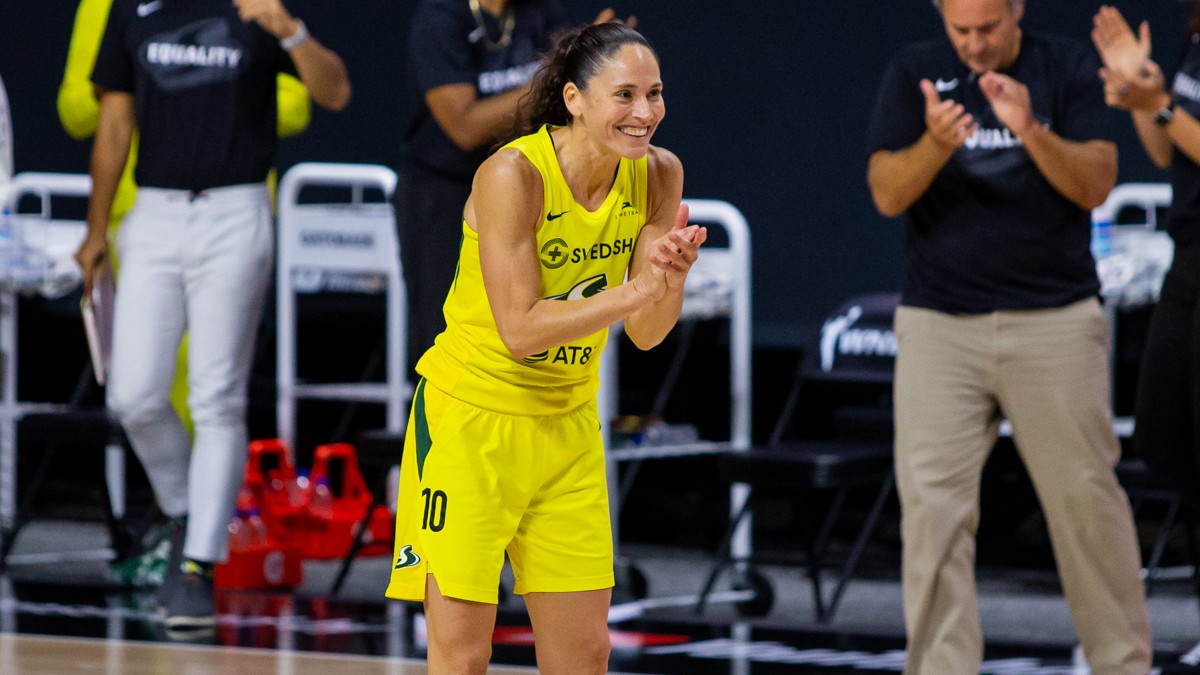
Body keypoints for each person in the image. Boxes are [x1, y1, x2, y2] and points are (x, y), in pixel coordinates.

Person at [385, 22, 704, 674]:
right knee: (463, 652)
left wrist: (667, 282)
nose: (645, 113)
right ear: (574, 99)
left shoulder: (658, 174)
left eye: (655, 93)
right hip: (469, 423)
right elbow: (521, 329)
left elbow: (647, 332)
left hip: (567, 425)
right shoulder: (511, 175)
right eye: (625, 95)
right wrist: (633, 291)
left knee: (584, 653)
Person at [865, 0, 1152, 673]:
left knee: (1087, 507)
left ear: (1016, 9)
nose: (974, 44)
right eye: (960, 29)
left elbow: (1097, 185)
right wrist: (935, 141)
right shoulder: (915, 69)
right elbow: (886, 191)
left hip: (1053, 319)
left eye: (988, 28)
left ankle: (1123, 665)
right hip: (940, 322)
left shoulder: (1066, 67)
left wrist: (1029, 127)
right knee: (932, 517)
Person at [74, 0, 350, 629]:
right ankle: (183, 510)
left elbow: (334, 92)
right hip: (154, 210)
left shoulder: (257, 6)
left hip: (236, 210)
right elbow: (115, 122)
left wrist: (290, 30)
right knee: (132, 393)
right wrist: (95, 229)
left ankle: (198, 562)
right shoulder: (134, 9)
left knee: (215, 395)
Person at [399, 0, 631, 373]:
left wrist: (589, 69)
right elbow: (464, 126)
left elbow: (569, 107)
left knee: (529, 325)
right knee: (447, 329)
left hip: (526, 188)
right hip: (445, 194)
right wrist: (563, 76)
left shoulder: (540, 12)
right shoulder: (441, 18)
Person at [1092, 5, 1200, 517]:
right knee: (1162, 439)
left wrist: (1160, 105)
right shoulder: (1197, 36)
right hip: (1189, 259)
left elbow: (1171, 119)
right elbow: (1165, 152)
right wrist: (1142, 95)